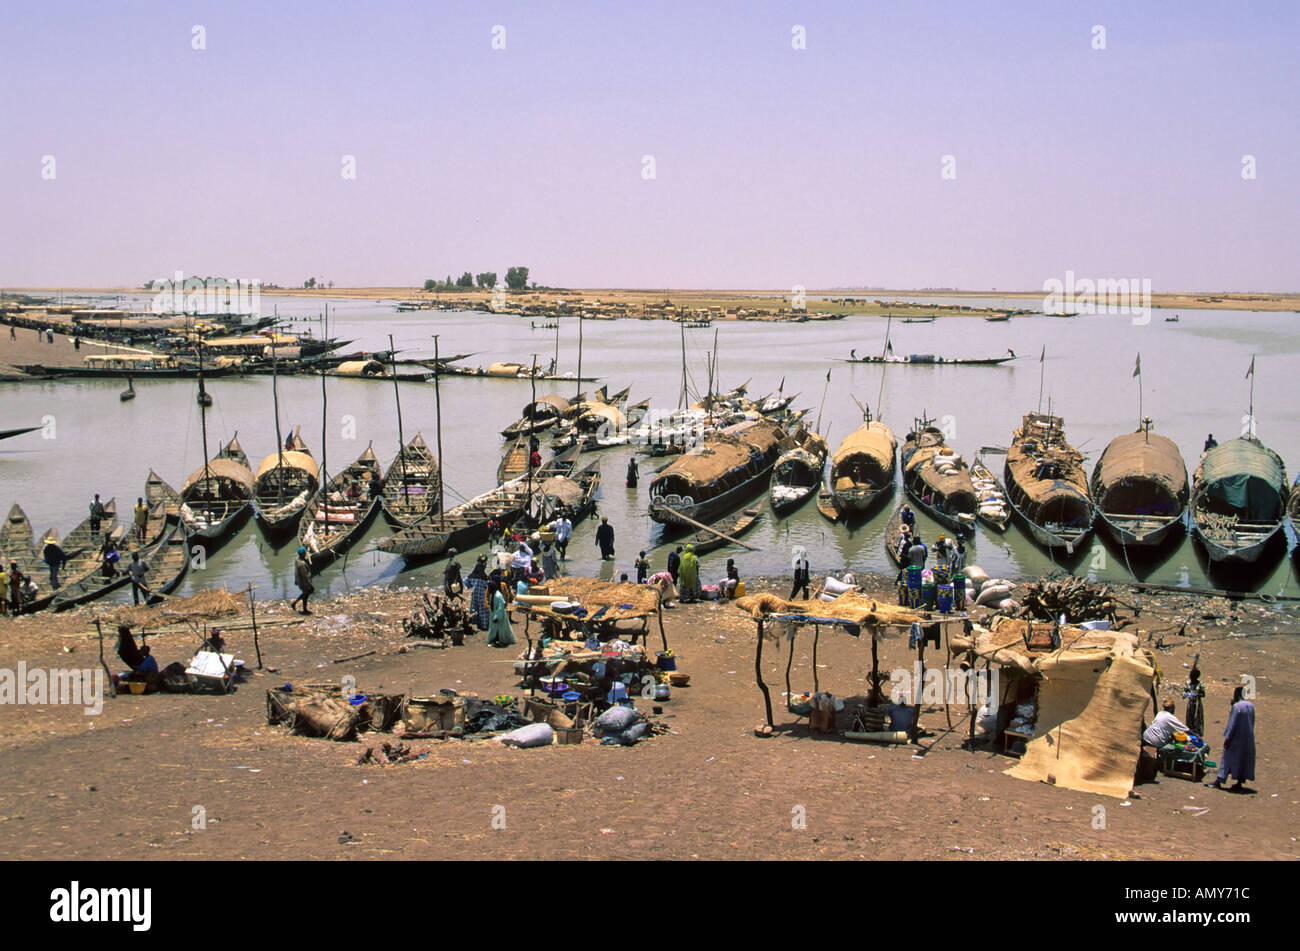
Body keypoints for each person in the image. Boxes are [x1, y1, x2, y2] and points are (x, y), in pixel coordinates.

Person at [1211, 686, 1255, 792]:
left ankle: (1219, 781)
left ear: (1238, 695)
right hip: (1248, 738)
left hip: (1236, 739)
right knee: (1243, 760)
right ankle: (1239, 783)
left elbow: (1232, 724)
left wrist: (1227, 739)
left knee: (1226, 758)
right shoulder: (1251, 706)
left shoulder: (1237, 707)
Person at [466, 557, 491, 630]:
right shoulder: (484, 577)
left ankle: (478, 625)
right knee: (483, 611)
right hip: (482, 595)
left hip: (475, 594)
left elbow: (467, 583)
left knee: (476, 610)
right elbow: (488, 586)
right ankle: (484, 626)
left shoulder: (473, 575)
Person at [289, 546, 314, 614]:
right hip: (303, 582)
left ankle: (295, 604)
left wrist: (296, 580)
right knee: (307, 593)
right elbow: (305, 575)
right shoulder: (302, 564)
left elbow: (296, 571)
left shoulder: (297, 559)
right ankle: (302, 608)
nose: (306, 553)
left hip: (299, 579)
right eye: (305, 553)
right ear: (303, 554)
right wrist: (309, 583)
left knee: (306, 593)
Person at [1184, 665, 1206, 737]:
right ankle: (1190, 735)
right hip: (1190, 704)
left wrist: (1198, 693)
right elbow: (1184, 695)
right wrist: (1191, 694)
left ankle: (1197, 736)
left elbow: (1203, 694)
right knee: (1189, 720)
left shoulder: (1200, 684)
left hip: (1197, 705)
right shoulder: (1188, 684)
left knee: (1197, 720)